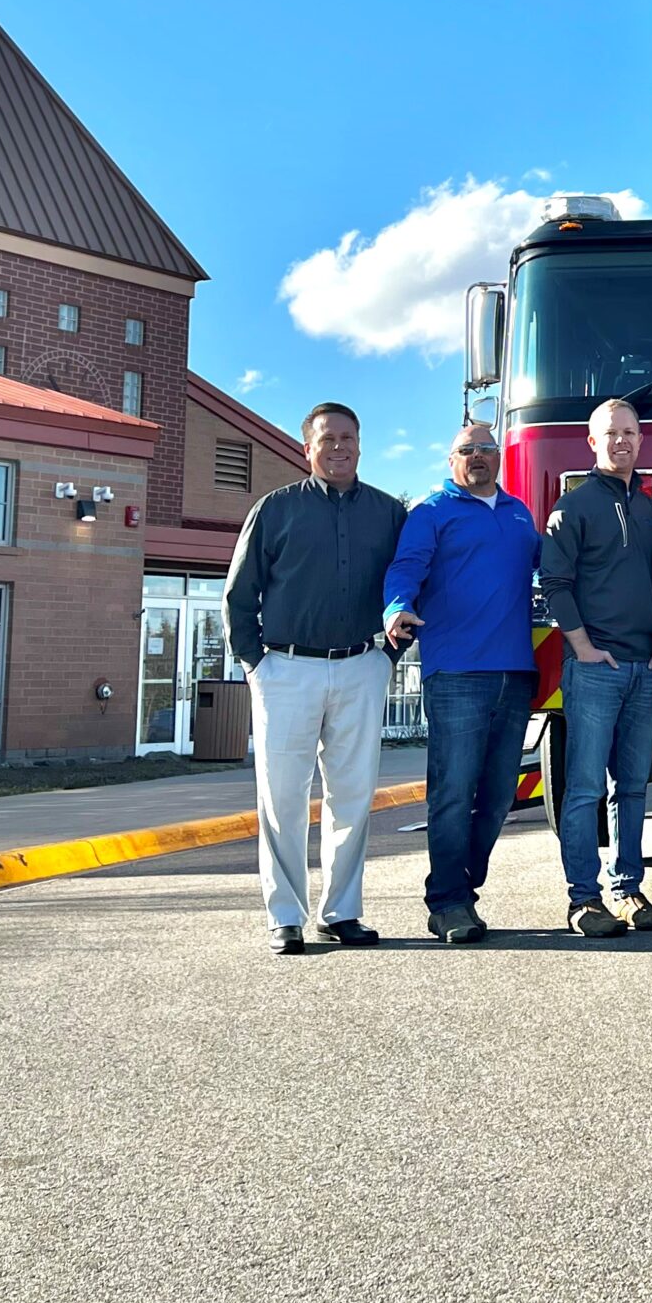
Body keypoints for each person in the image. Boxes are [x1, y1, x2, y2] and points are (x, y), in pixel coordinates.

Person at [224, 403, 406, 954]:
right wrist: (257, 663)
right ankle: (285, 915)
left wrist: (388, 658)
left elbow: (412, 584)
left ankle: (341, 912)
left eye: (348, 438)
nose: (339, 448)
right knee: (282, 798)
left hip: (361, 668)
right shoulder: (274, 510)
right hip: (285, 670)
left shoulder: (388, 513)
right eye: (328, 439)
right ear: (308, 448)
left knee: (352, 797)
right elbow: (238, 595)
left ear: (360, 443)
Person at [383, 423, 542, 945]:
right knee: (453, 793)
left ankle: (461, 886)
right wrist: (398, 606)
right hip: (455, 674)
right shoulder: (431, 513)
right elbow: (406, 569)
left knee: (499, 795)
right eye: (467, 450)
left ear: (500, 458)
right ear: (452, 459)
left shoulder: (520, 515)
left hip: (516, 672)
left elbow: (555, 571)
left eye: (486, 450)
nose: (477, 457)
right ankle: (449, 901)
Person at [539, 399, 652, 938]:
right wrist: (584, 649)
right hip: (596, 668)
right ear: (592, 443)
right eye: (611, 434)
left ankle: (628, 889)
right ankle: (583, 899)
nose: (621, 442)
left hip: (647, 667)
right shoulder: (572, 509)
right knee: (587, 787)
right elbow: (555, 584)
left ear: (641, 442)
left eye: (630, 433)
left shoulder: (651, 512)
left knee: (633, 787)